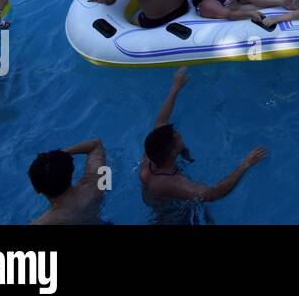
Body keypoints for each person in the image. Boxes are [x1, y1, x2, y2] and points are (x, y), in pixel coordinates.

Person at [140, 68, 268, 222]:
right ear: (173, 152)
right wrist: (245, 165)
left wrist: (175, 87)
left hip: (156, 199)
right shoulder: (176, 184)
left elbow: (161, 122)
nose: (178, 133)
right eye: (176, 136)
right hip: (172, 214)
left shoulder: (151, 154)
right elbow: (213, 194)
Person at [28, 139, 109, 225]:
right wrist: (61, 155)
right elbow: (95, 145)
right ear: (71, 170)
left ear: (36, 189)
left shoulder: (46, 221)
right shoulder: (94, 188)